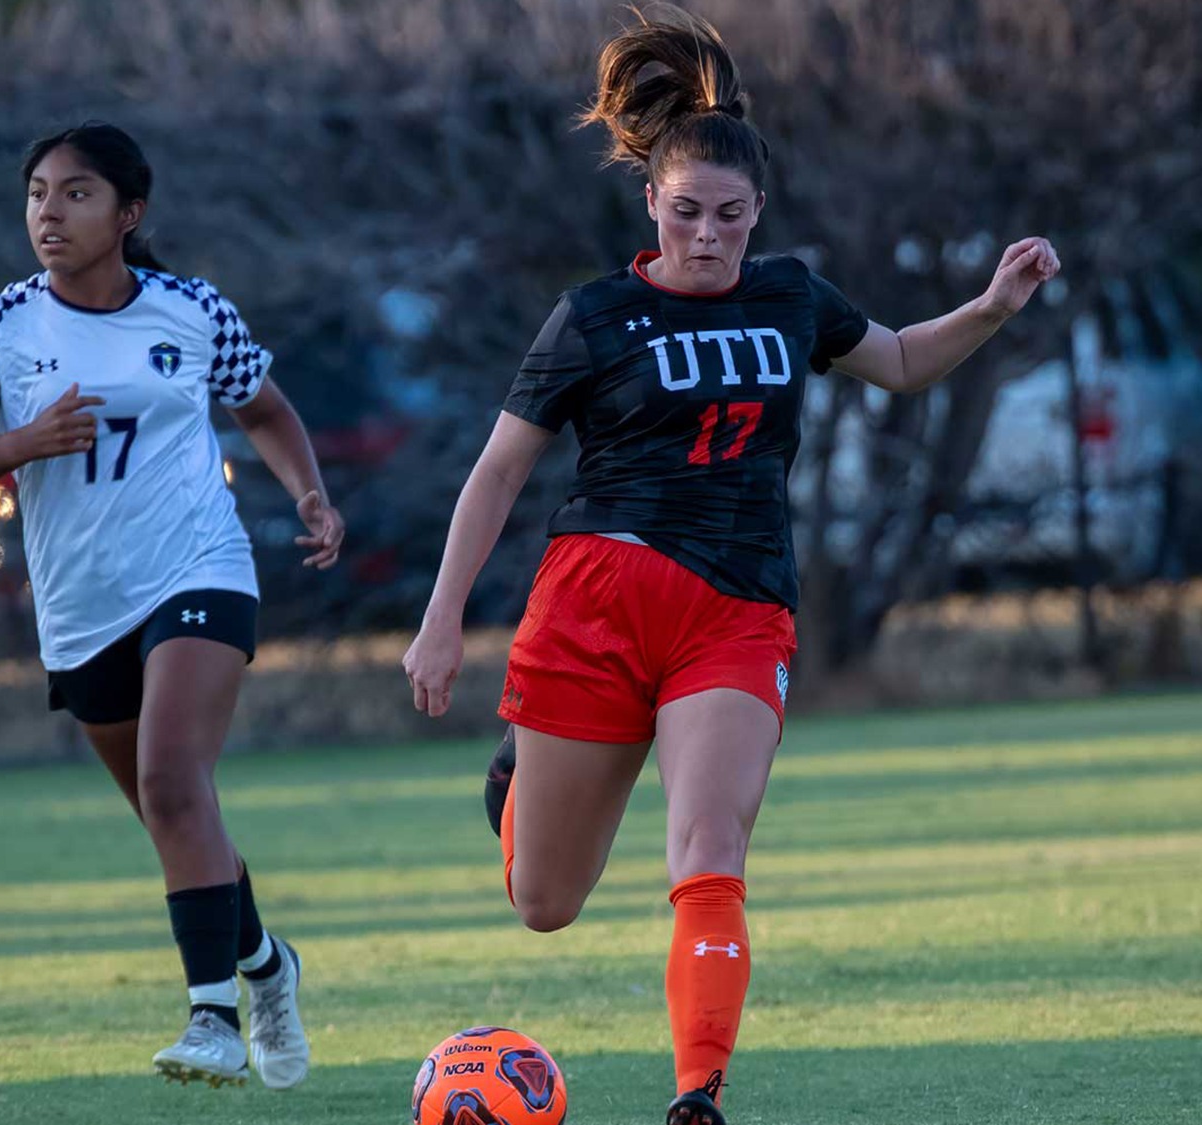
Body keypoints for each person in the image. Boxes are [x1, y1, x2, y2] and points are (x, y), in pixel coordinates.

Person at [401, 8, 1057, 1124]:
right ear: (651, 204)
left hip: (736, 608)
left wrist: (991, 307)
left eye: (730, 218)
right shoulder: (594, 317)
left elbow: (895, 363)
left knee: (710, 846)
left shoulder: (790, 295)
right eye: (688, 213)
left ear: (757, 216)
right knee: (543, 902)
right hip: (594, 601)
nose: (708, 236)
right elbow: (498, 473)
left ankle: (697, 1092)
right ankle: (519, 778)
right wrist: (438, 620)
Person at [0, 122, 345, 1088]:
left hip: (200, 568)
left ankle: (212, 1020)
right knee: (176, 814)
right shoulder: (1, 327)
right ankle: (268, 964)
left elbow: (263, 407)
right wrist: (22, 444)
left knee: (175, 781)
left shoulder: (192, 314)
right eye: (36, 194)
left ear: (129, 213)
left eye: (75, 193)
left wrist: (308, 490)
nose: (48, 214)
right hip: (80, 610)